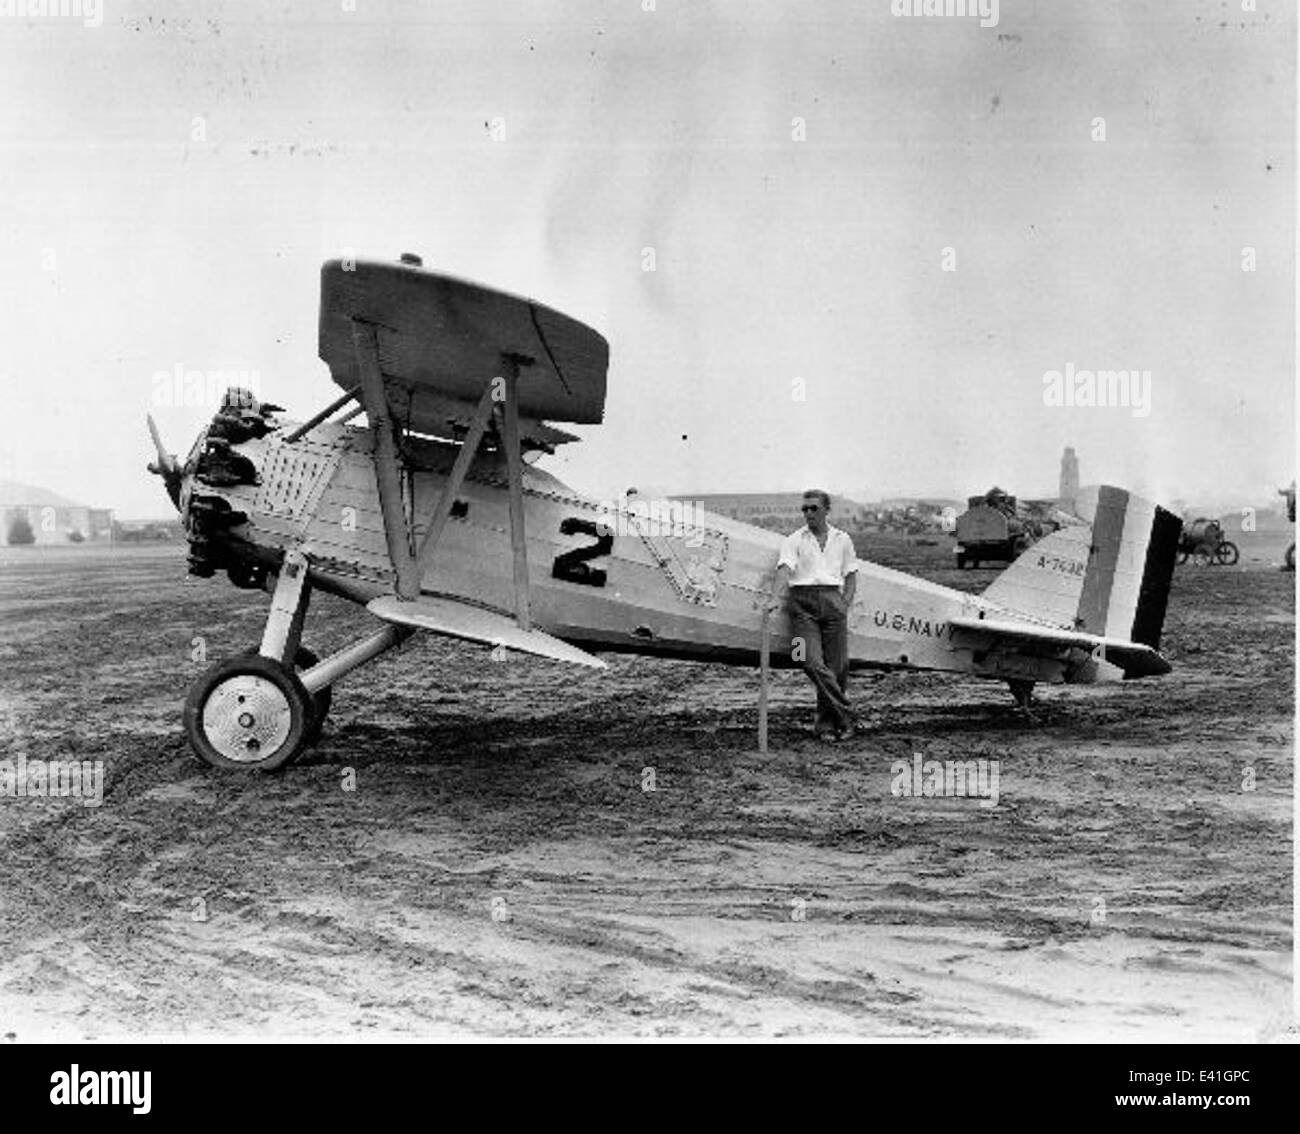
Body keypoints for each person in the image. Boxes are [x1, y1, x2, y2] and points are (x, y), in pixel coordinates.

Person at [766, 489, 858, 741]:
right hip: (801, 604)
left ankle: (827, 726)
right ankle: (848, 714)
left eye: (813, 508)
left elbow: (851, 574)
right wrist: (775, 597)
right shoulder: (794, 539)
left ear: (826, 510)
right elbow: (784, 570)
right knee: (808, 659)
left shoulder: (843, 539)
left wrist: (844, 604)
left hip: (833, 601)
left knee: (838, 667)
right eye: (804, 509)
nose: (808, 513)